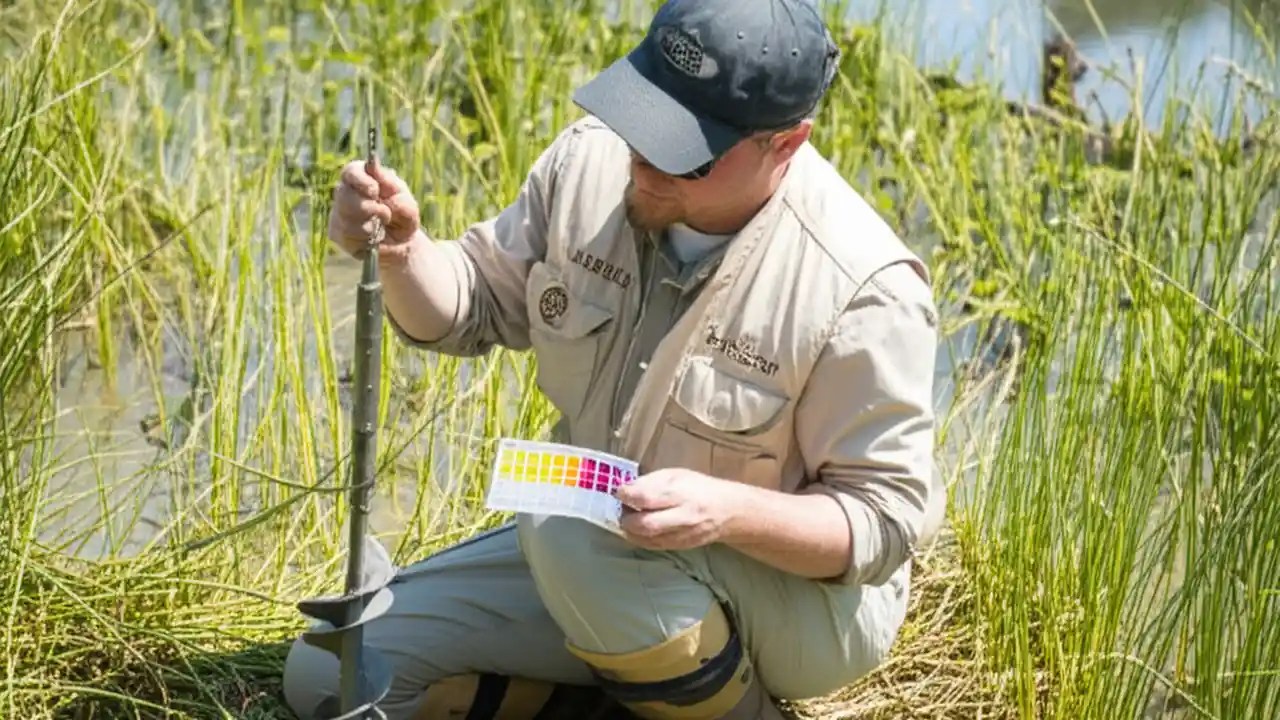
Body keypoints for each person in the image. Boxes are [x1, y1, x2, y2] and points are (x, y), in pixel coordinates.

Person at [282, 0, 944, 717]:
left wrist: (727, 512)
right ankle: (632, 697)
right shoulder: (589, 163)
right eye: (643, 121)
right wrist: (404, 249)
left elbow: (880, 526)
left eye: (685, 150)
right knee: (335, 677)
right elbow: (472, 304)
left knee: (565, 536)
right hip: (599, 555)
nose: (646, 162)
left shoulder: (861, 287)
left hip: (802, 603)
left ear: (784, 145)